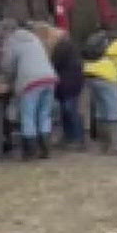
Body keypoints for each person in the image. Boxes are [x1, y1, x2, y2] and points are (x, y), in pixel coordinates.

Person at [0, 20, 59, 160]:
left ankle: (30, 151)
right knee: (44, 114)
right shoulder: (34, 38)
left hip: (30, 81)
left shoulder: (12, 41)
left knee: (28, 115)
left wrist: (7, 78)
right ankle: (45, 149)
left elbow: (6, 65)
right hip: (49, 78)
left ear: (6, 32)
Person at [34, 21, 87, 150]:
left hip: (69, 82)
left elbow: (54, 63)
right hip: (69, 81)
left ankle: (77, 138)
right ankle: (70, 137)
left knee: (70, 110)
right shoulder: (64, 45)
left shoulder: (62, 46)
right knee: (67, 110)